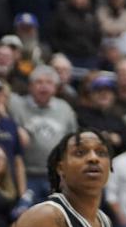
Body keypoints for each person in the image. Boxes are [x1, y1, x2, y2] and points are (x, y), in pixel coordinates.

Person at [10, 64, 78, 202]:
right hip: (25, 175)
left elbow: (74, 140)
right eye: (39, 82)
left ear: (56, 88)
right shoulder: (16, 105)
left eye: (49, 83)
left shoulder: (64, 108)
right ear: (30, 86)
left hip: (56, 175)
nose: (44, 87)